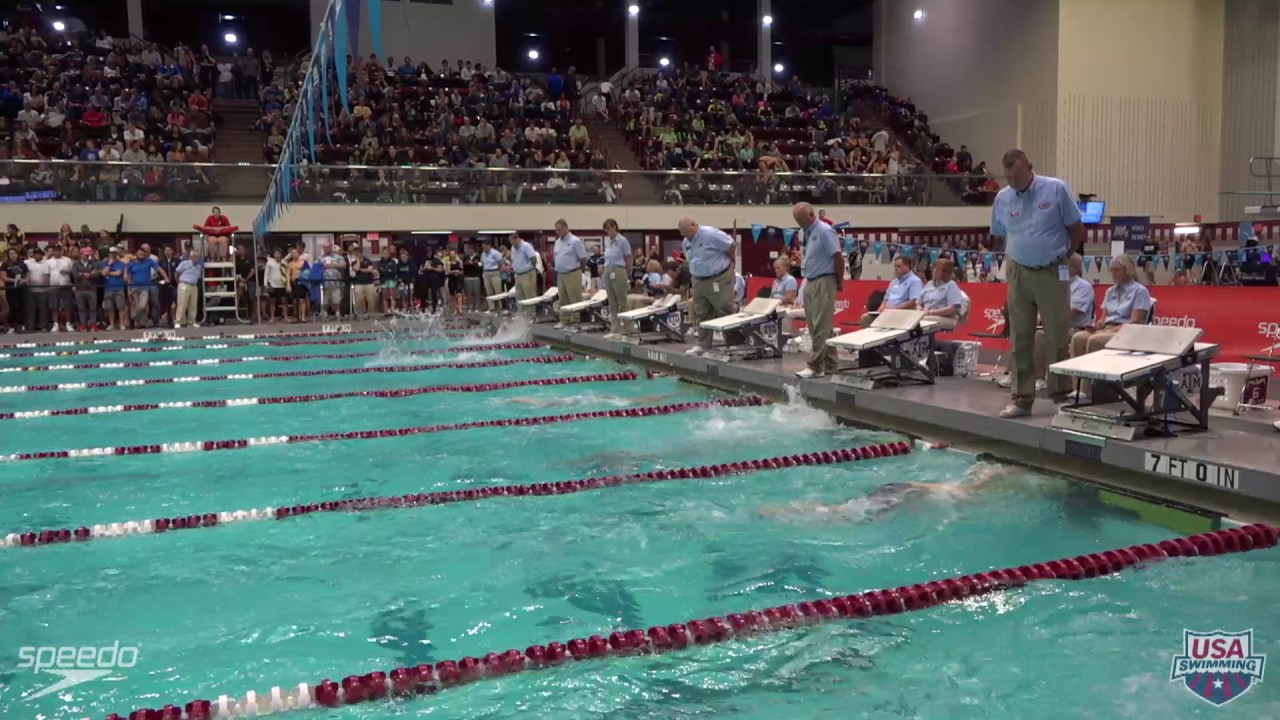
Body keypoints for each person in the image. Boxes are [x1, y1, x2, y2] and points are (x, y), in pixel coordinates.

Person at [991, 149, 1085, 419]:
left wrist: (1063, 258)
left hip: (1053, 270)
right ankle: (1022, 399)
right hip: (1018, 271)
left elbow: (1077, 230)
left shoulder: (1055, 189)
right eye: (1008, 178)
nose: (1013, 183)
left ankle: (1061, 394)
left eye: (1018, 176)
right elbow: (1001, 234)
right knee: (1020, 337)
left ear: (1030, 168)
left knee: (1056, 335)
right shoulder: (1002, 198)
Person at [758, 462, 1009, 522]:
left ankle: (788, 511)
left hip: (898, 489)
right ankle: (787, 511)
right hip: (900, 491)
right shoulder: (959, 492)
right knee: (843, 513)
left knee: (843, 512)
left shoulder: (953, 489)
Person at [1068, 255, 1152, 399]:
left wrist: (1111, 329)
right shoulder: (1110, 291)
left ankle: (1086, 389)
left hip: (1127, 331)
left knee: (1095, 341)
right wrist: (1096, 326)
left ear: (1127, 270)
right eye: (1111, 270)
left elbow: (1136, 321)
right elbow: (1102, 319)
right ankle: (1077, 385)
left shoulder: (1140, 291)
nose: (1113, 273)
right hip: (1107, 328)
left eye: (1117, 270)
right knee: (1078, 338)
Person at [793, 203, 844, 378]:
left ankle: (815, 365)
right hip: (810, 280)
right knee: (817, 326)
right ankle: (831, 365)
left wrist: (839, 281)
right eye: (796, 220)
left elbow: (838, 257)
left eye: (801, 219)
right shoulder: (805, 233)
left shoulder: (825, 231)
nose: (799, 223)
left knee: (821, 325)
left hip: (825, 279)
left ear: (811, 214)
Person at [677, 217, 735, 355]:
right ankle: (703, 345)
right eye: (683, 234)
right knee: (702, 312)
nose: (686, 237)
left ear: (693, 225)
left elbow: (731, 245)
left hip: (717, 279)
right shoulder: (686, 242)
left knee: (724, 310)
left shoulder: (711, 234)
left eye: (686, 233)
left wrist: (727, 262)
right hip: (698, 281)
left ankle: (734, 343)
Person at [859, 255, 922, 326]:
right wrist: (882, 307)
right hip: (887, 313)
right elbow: (885, 299)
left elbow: (913, 302)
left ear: (907, 266)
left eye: (899, 266)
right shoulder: (894, 282)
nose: (896, 269)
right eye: (895, 266)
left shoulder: (915, 281)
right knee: (865, 318)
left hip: (901, 314)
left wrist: (894, 309)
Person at [551, 219, 588, 329]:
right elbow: (556, 256)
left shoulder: (575, 241)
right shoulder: (557, 242)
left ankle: (575, 321)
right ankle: (564, 320)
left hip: (572, 273)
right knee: (563, 298)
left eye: (559, 230)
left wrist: (577, 269)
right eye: (556, 230)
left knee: (574, 298)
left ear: (566, 227)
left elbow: (583, 258)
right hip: (560, 274)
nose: (558, 232)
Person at [600, 219, 632, 338]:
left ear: (614, 227)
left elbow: (628, 257)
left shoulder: (623, 241)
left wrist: (626, 272)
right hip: (608, 269)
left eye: (608, 229)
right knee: (612, 302)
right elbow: (607, 257)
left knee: (621, 301)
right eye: (605, 230)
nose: (607, 232)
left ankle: (627, 329)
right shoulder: (608, 242)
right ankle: (615, 329)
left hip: (619, 270)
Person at [126, 245, 167, 328]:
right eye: (139, 254)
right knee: (138, 306)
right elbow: (128, 277)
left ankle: (132, 317)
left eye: (142, 255)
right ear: (136, 254)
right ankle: (141, 323)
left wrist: (166, 277)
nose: (141, 256)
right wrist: (129, 289)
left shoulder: (149, 261)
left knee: (142, 305)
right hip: (134, 287)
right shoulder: (131, 264)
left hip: (144, 287)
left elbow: (159, 269)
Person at [917, 258, 963, 330]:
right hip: (925, 314)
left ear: (945, 272)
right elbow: (918, 303)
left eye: (938, 269)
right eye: (934, 269)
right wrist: (919, 309)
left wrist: (931, 312)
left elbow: (953, 309)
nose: (934, 272)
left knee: (920, 321)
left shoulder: (951, 285)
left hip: (946, 317)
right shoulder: (929, 284)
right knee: (911, 319)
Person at [43, 243, 74, 332]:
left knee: (68, 306)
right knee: (54, 306)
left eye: (59, 250)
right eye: (55, 250)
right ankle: (55, 324)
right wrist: (47, 287)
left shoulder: (68, 260)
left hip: (66, 286)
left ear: (61, 250)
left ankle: (68, 323)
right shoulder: (48, 262)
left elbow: (73, 273)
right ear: (53, 251)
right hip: (53, 287)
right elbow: (46, 275)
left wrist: (67, 272)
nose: (57, 252)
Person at [509, 234, 540, 315]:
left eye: (513, 242)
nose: (512, 245)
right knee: (519, 295)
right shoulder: (513, 248)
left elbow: (533, 259)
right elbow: (513, 260)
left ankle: (531, 314)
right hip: (518, 275)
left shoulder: (526, 246)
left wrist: (527, 268)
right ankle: (521, 314)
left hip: (527, 274)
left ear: (517, 239)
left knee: (529, 295)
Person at [173, 248, 204, 328]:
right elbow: (177, 273)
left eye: (198, 257)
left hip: (194, 286)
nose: (197, 258)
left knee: (193, 305)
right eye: (196, 256)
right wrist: (179, 283)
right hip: (184, 284)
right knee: (182, 304)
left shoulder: (198, 266)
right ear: (192, 257)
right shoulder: (184, 263)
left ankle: (191, 322)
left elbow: (198, 277)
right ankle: (178, 321)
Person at [101, 246, 128, 330]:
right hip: (108, 288)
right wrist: (109, 264)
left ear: (117, 254)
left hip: (119, 288)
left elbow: (118, 274)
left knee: (121, 307)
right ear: (109, 254)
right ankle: (112, 324)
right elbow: (103, 273)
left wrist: (108, 273)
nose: (113, 255)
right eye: (111, 253)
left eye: (114, 253)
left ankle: (121, 323)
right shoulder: (105, 263)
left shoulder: (121, 264)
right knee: (110, 307)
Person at [263, 248, 288, 322]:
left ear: (281, 255)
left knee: (284, 301)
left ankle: (286, 317)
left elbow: (287, 274)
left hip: (282, 285)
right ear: (273, 255)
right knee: (272, 302)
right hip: (273, 285)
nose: (277, 255)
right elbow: (266, 274)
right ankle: (272, 317)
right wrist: (266, 284)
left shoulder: (284, 263)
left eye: (279, 254)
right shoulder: (270, 263)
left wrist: (287, 284)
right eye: (276, 254)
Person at [480, 239, 505, 311]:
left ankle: (500, 307)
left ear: (489, 246)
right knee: (489, 291)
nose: (484, 249)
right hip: (486, 272)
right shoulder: (483, 254)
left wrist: (498, 269)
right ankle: (491, 307)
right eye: (483, 247)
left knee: (498, 290)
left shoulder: (495, 253)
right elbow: (482, 262)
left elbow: (500, 262)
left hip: (494, 272)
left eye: (485, 247)